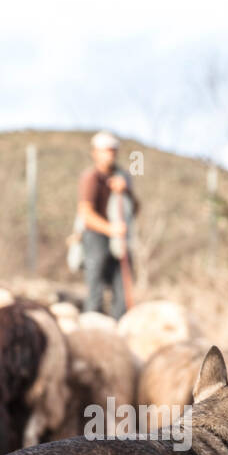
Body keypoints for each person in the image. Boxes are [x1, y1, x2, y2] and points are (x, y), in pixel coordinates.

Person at [77, 131, 139, 317]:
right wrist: (110, 229)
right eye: (105, 150)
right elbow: (86, 214)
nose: (109, 154)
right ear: (95, 153)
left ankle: (119, 325)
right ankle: (91, 323)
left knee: (122, 285)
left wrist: (125, 191)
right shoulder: (91, 178)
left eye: (112, 151)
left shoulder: (123, 178)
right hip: (96, 235)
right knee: (95, 286)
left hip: (119, 237)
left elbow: (135, 208)